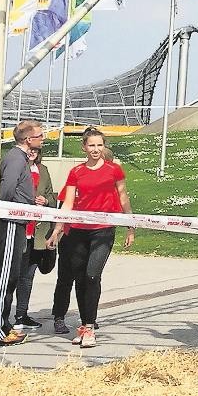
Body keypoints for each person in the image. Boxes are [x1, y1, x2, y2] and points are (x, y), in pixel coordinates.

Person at [47, 127, 133, 348]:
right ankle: (84, 325)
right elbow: (67, 202)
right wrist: (58, 227)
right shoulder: (76, 172)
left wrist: (130, 225)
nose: (96, 149)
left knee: (93, 275)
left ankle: (91, 326)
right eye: (91, 145)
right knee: (80, 278)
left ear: (104, 146)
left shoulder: (115, 170)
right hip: (77, 229)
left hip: (103, 229)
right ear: (84, 147)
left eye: (99, 145)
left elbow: (123, 196)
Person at [0, 119, 46, 346]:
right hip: (11, 221)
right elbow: (7, 187)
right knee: (6, 277)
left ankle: (3, 324)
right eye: (40, 135)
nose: (42, 139)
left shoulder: (22, 158)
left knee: (13, 275)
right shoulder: (16, 158)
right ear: (28, 139)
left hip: (20, 220)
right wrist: (7, 210)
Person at [12, 145, 56, 331]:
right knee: (11, 276)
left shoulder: (43, 170)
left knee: (27, 276)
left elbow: (52, 197)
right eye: (29, 149)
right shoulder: (15, 167)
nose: (32, 153)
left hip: (36, 232)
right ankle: (2, 315)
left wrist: (46, 201)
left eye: (36, 150)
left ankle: (22, 314)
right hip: (18, 228)